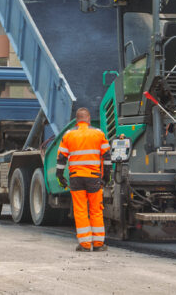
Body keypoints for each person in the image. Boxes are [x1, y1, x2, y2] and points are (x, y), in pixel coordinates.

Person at [56, 108, 111, 252]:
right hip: (94, 178)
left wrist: (60, 176)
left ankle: (85, 245)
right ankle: (99, 244)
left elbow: (61, 158)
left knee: (80, 210)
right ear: (88, 119)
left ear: (76, 120)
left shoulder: (69, 135)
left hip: (76, 178)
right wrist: (106, 177)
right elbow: (107, 157)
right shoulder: (98, 134)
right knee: (96, 210)